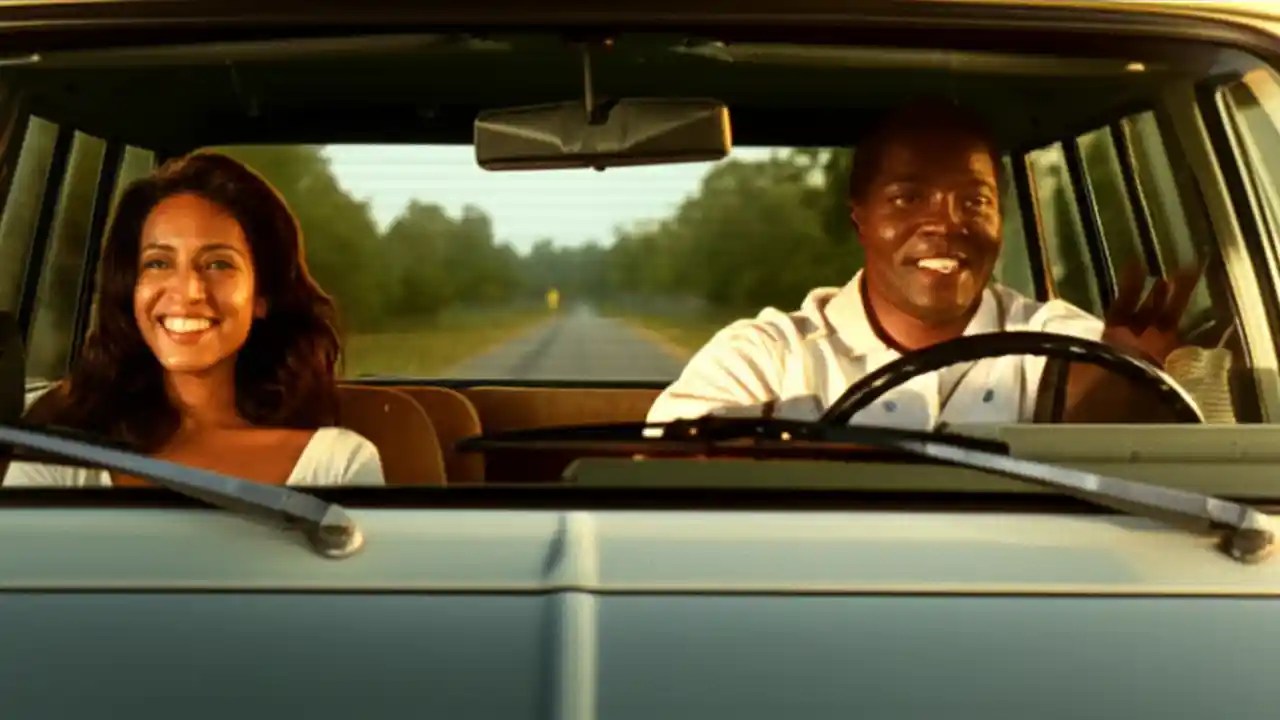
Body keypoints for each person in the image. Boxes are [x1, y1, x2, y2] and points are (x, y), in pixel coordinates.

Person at [647, 99, 1202, 429]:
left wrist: (1130, 390)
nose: (945, 224)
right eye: (909, 198)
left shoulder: (1065, 347)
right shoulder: (765, 359)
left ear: (1000, 219)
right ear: (858, 217)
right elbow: (658, 485)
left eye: (974, 201)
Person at [5, 151, 385, 487]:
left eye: (219, 264)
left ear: (262, 297)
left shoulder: (337, 464)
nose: (189, 291)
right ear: (131, 289)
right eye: (158, 263)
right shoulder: (59, 448)